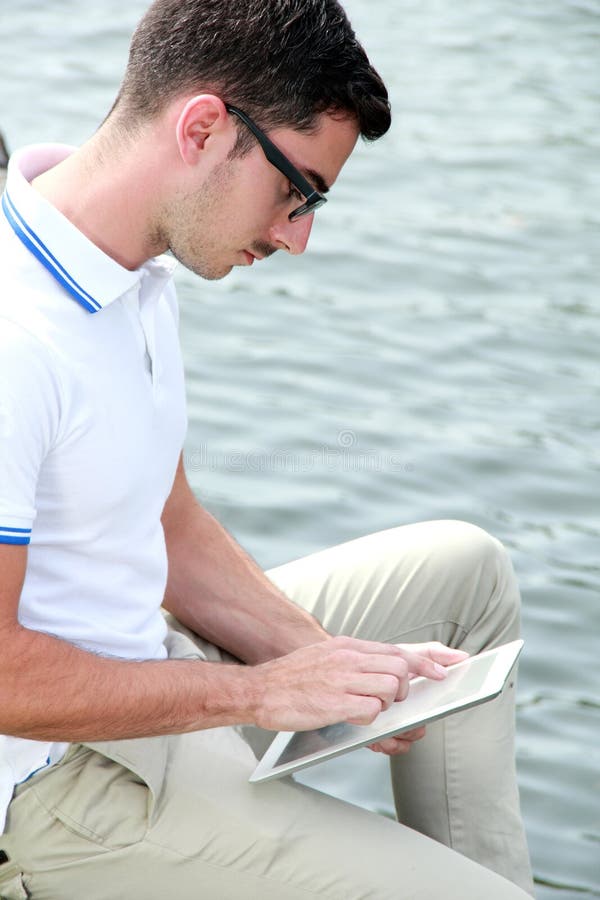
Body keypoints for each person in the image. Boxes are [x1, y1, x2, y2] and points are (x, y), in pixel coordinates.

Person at [0, 1, 535, 897]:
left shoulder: (132, 274)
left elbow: (163, 523)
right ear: (204, 128)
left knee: (466, 574)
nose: (298, 237)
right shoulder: (18, 341)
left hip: (151, 669)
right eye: (298, 192)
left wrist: (324, 660)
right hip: (61, 780)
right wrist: (264, 693)